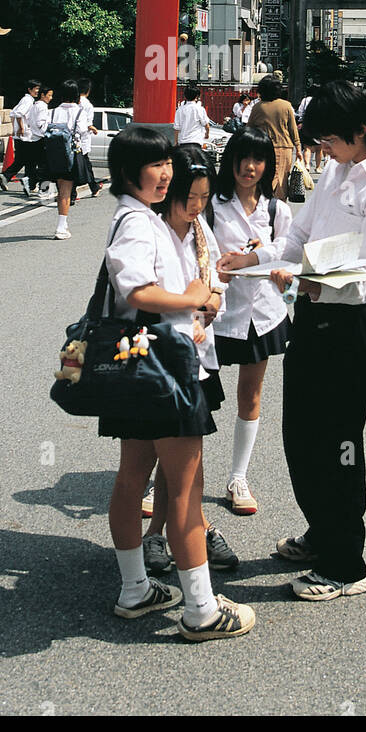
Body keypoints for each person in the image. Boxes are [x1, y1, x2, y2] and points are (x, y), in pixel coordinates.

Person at [219, 81, 366, 604]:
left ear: (360, 131)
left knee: (340, 443)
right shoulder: (335, 169)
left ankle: (347, 563)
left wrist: (303, 272)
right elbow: (298, 237)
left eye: (329, 140)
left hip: (350, 325)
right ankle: (321, 531)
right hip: (313, 317)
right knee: (301, 433)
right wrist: (255, 260)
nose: (322, 150)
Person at [100, 126, 255, 640]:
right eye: (155, 165)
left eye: (168, 163)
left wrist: (203, 297)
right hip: (166, 366)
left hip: (141, 363)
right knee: (187, 489)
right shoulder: (140, 224)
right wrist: (192, 298)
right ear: (129, 171)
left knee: (134, 477)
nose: (165, 174)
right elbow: (139, 290)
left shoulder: (144, 219)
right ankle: (201, 610)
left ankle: (135, 589)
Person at [142, 147, 240, 579]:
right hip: (163, 357)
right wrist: (193, 300)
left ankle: (171, 531)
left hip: (198, 355)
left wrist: (214, 297)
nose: (197, 206)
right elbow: (144, 295)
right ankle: (182, 532)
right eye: (190, 197)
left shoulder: (200, 229)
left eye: (204, 196)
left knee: (182, 456)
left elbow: (215, 281)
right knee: (174, 456)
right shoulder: (153, 229)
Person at [211, 126, 291, 515]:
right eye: (243, 157)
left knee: (251, 395)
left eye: (259, 159)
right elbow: (191, 249)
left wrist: (271, 264)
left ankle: (237, 477)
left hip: (261, 313)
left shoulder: (277, 210)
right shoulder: (210, 204)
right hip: (214, 311)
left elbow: (289, 253)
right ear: (231, 161)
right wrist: (216, 267)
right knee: (194, 394)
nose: (250, 166)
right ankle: (163, 477)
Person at [46, 80, 92, 240]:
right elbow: (82, 131)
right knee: (65, 191)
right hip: (71, 154)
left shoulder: (51, 112)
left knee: (61, 189)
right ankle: (60, 227)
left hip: (53, 154)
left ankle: (63, 224)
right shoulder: (79, 112)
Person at [247, 77, 301, 201]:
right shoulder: (286, 106)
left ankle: (263, 204)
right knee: (281, 180)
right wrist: (298, 148)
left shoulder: (257, 107)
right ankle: (279, 209)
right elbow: (293, 129)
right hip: (285, 147)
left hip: (262, 148)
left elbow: (249, 129)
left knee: (265, 177)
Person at [0, 78, 40, 195]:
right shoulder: (28, 101)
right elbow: (17, 114)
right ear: (29, 89)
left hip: (21, 136)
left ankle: (7, 176)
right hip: (25, 136)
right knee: (30, 161)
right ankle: (29, 184)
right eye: (36, 89)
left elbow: (13, 113)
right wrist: (21, 128)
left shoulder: (26, 99)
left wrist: (15, 128)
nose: (37, 91)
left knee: (23, 160)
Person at [70, 76, 102, 205]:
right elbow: (87, 124)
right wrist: (93, 128)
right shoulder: (88, 105)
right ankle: (76, 192)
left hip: (72, 141)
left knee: (80, 166)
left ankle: (92, 187)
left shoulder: (73, 102)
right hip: (82, 140)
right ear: (88, 90)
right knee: (82, 166)